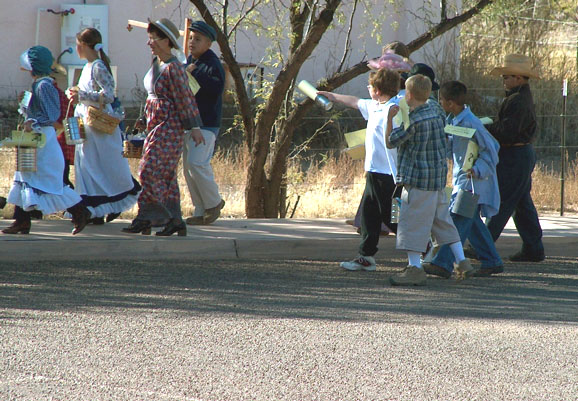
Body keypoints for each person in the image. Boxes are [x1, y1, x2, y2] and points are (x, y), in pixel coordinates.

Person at [385, 74, 473, 286]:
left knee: (411, 224)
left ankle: (414, 268)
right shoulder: (435, 109)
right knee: (443, 222)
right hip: (437, 180)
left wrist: (389, 118)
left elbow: (390, 142)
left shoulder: (413, 121)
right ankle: (462, 261)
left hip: (417, 181)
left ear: (408, 94)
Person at [122, 18, 204, 236]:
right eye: (149, 38)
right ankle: (174, 220)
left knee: (149, 170)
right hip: (155, 126)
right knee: (165, 176)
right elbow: (151, 96)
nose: (150, 43)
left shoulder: (174, 68)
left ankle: (148, 217)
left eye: (154, 38)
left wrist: (194, 127)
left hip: (169, 128)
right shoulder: (156, 64)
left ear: (167, 41)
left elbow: (185, 98)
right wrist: (144, 118)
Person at [318, 68, 402, 271]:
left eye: (371, 86)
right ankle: (366, 256)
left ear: (379, 90)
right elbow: (354, 101)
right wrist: (332, 96)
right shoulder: (374, 106)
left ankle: (425, 247)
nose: (368, 88)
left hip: (389, 174)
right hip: (373, 171)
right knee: (369, 214)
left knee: (391, 217)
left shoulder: (395, 108)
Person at [2, 46, 90, 235]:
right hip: (34, 137)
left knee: (46, 180)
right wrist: (26, 107)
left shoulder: (44, 86)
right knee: (25, 176)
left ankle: (80, 211)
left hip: (42, 138)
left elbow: (52, 114)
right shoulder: (39, 85)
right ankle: (22, 221)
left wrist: (33, 121)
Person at [423, 81, 503, 278]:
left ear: (450, 103)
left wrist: (477, 169)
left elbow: (493, 149)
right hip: (464, 180)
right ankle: (492, 260)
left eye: (441, 100)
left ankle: (443, 263)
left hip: (473, 182)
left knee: (457, 219)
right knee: (472, 222)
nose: (440, 103)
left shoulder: (471, 123)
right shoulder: (455, 120)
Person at [67, 28, 140, 225]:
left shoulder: (98, 66)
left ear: (82, 45)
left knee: (106, 164)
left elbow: (109, 94)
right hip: (88, 128)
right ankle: (95, 210)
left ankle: (125, 193)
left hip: (99, 128)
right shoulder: (87, 67)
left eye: (77, 44)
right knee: (90, 166)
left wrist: (82, 96)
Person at [483, 54, 545, 262]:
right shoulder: (518, 97)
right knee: (521, 203)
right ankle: (533, 248)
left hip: (516, 154)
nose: (504, 80)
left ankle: (483, 244)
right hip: (519, 153)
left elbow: (507, 131)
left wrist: (483, 128)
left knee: (503, 200)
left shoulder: (518, 100)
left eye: (507, 77)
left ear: (519, 78)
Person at [347, 42, 413, 234]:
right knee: (371, 208)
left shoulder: (402, 99)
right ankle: (367, 250)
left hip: (393, 169)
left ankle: (418, 245)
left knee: (393, 213)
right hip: (376, 166)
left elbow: (397, 135)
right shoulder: (378, 104)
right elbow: (358, 104)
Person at [182, 20, 226, 226]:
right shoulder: (192, 60)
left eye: (198, 39)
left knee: (196, 163)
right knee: (188, 169)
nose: (192, 42)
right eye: (191, 38)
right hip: (190, 124)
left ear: (209, 43)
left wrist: (192, 72)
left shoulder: (211, 63)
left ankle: (214, 202)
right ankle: (200, 210)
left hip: (206, 124)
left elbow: (216, 88)